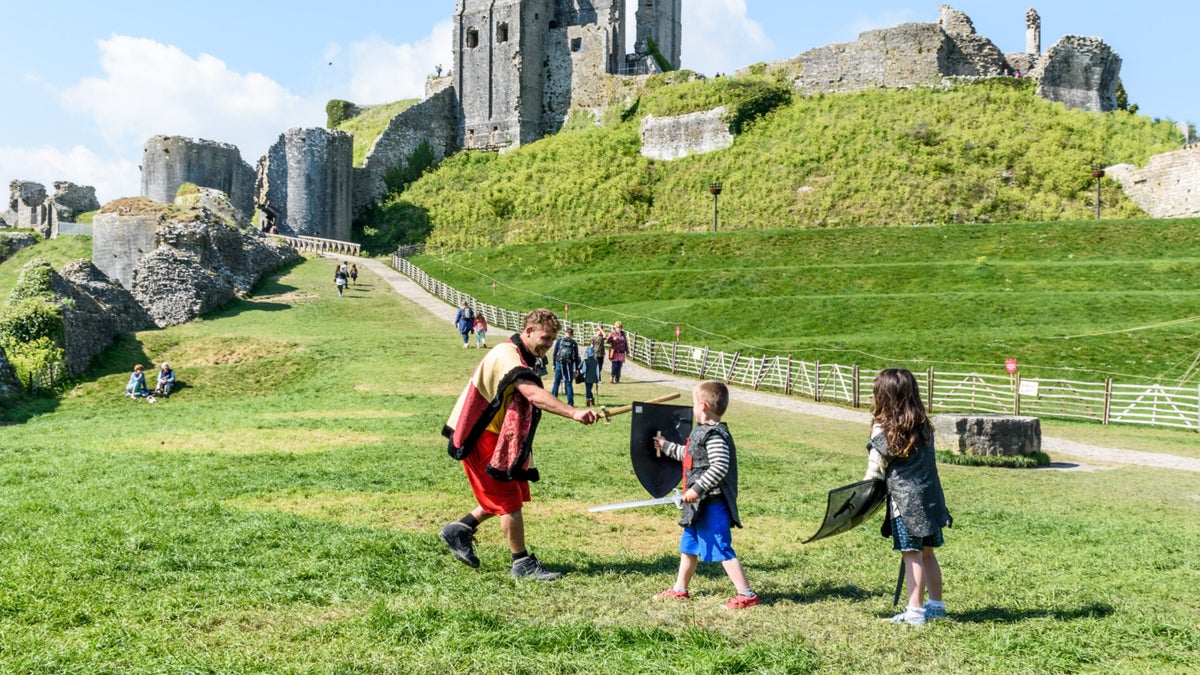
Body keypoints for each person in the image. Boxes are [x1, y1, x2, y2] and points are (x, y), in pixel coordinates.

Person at [439, 309, 599, 580]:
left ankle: (460, 530)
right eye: (545, 337)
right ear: (527, 331)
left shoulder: (522, 354)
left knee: (508, 493)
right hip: (480, 435)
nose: (548, 344)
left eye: (552, 339)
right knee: (508, 501)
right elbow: (532, 393)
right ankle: (522, 563)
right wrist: (573, 412)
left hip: (499, 436)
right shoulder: (507, 355)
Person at [652, 380, 757, 609]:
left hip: (712, 503)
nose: (692, 408)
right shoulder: (701, 434)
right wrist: (665, 445)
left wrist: (696, 489)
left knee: (721, 548)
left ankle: (747, 594)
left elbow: (719, 467)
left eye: (693, 404)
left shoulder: (715, 435)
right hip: (698, 505)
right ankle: (680, 589)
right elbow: (689, 456)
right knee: (688, 546)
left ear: (702, 406)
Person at [863, 368, 952, 626]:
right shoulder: (923, 425)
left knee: (911, 554)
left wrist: (864, 493)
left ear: (885, 396)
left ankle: (914, 613)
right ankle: (936, 606)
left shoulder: (885, 428)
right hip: (930, 499)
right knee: (926, 553)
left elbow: (875, 468)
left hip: (905, 502)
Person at [550, 327, 581, 406]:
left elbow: (554, 353)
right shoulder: (573, 343)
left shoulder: (559, 341)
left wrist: (553, 364)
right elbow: (576, 357)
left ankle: (553, 401)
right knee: (568, 383)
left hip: (559, 363)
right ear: (572, 334)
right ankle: (570, 402)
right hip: (569, 365)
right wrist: (577, 368)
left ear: (565, 333)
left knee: (556, 382)